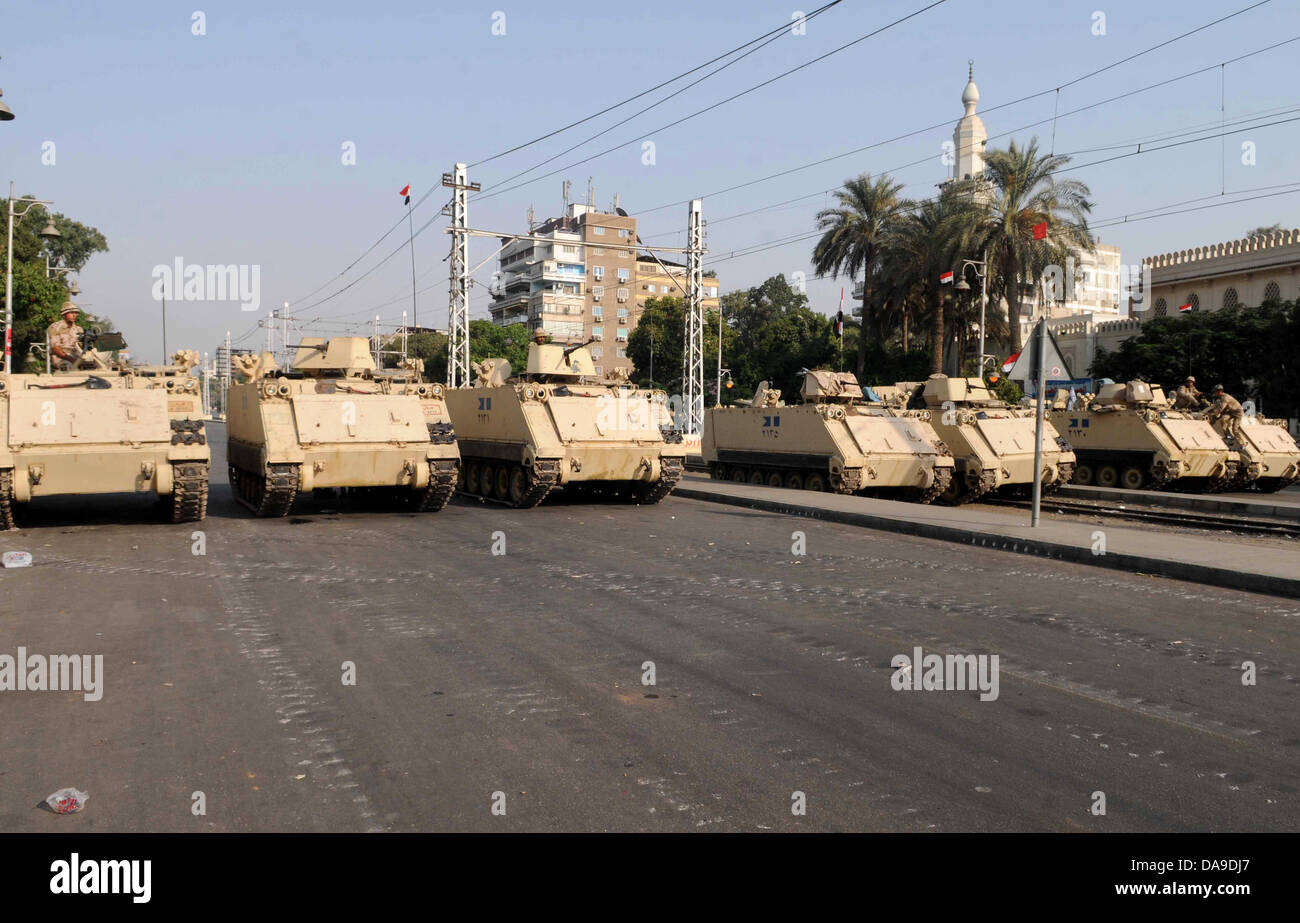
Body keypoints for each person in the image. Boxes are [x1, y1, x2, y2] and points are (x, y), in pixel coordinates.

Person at [46, 303, 84, 370]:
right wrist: (72, 360)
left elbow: (82, 347)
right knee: (70, 367)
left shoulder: (79, 329)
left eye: (76, 313)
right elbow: (55, 349)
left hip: (77, 357)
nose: (74, 315)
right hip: (60, 359)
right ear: (64, 314)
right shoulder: (55, 327)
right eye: (71, 313)